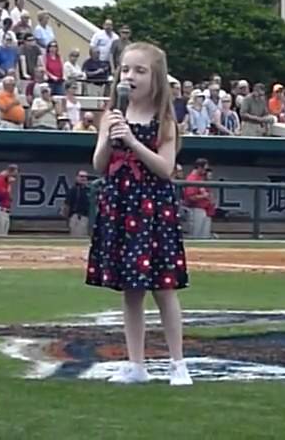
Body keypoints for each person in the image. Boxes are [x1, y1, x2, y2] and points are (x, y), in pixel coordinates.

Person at [85, 41, 191, 387]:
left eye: (140, 70)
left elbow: (165, 168)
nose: (130, 76)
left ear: (156, 78)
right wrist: (107, 135)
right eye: (126, 69)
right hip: (120, 205)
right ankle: (136, 363)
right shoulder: (113, 115)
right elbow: (100, 164)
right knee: (131, 290)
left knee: (164, 288)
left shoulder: (164, 122)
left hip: (152, 209)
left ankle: (178, 363)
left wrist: (131, 140)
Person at [62, 170, 91, 237]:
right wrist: (68, 219)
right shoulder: (73, 190)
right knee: (78, 237)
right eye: (81, 176)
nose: (83, 178)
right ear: (77, 177)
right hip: (77, 217)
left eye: (85, 177)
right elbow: (67, 206)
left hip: (88, 218)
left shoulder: (89, 190)